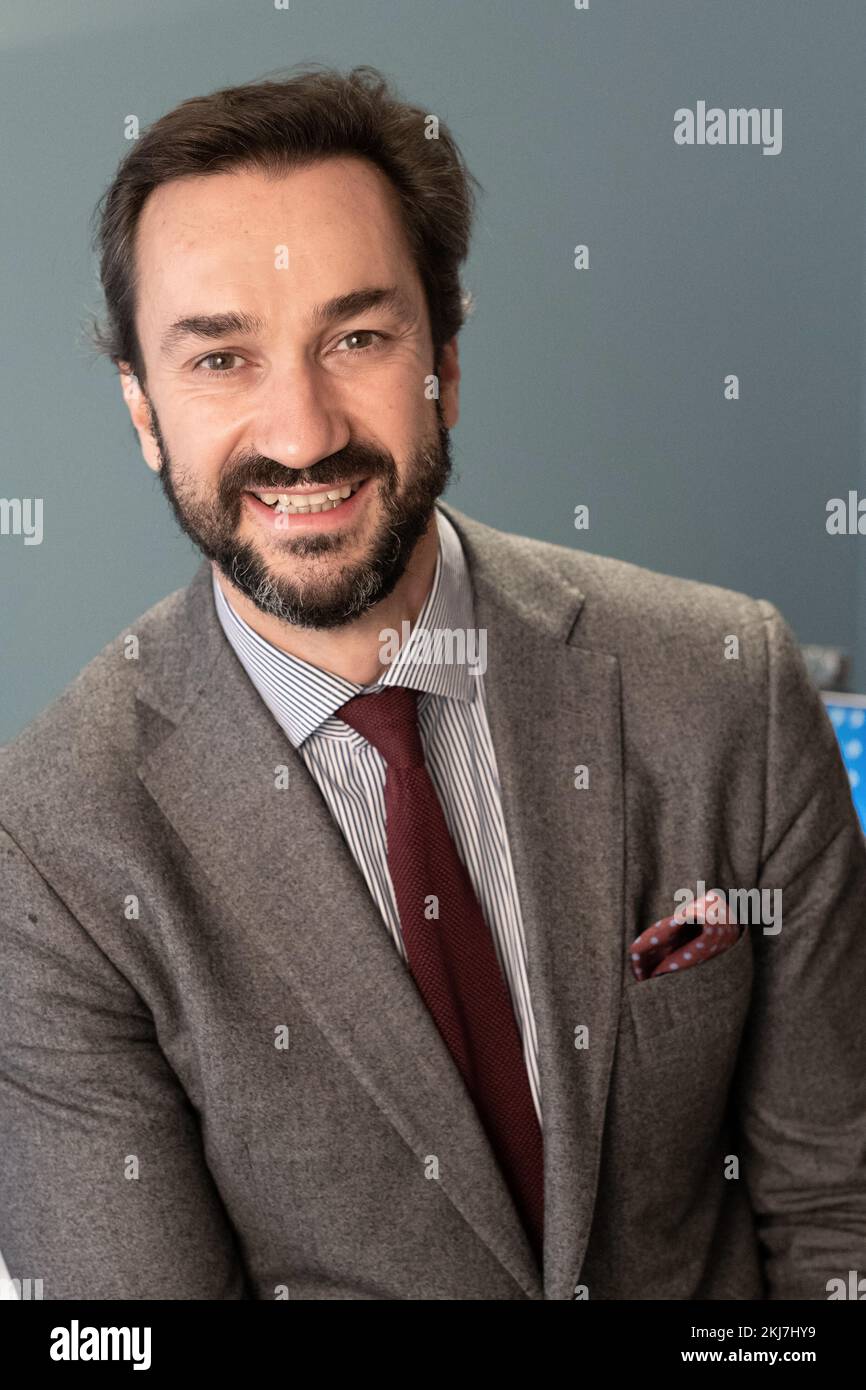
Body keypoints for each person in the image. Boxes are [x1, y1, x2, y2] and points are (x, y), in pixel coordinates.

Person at [1, 65, 864, 1301]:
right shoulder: (49, 849)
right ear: (143, 412)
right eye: (220, 360)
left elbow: (838, 1208)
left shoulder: (728, 682)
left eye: (356, 339)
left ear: (443, 361)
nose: (301, 433)